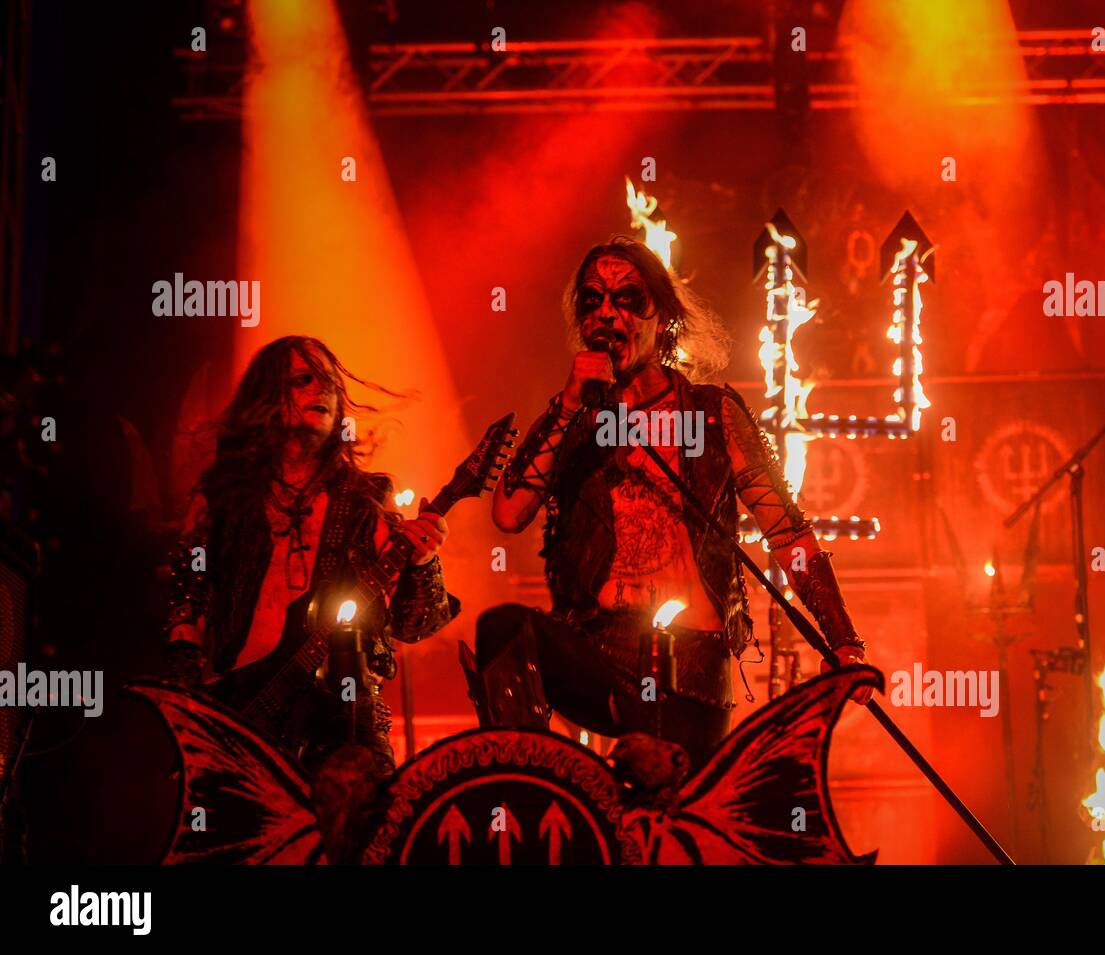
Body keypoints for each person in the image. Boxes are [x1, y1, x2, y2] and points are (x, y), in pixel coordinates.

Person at [464, 236, 868, 771]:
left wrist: (841, 641)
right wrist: (567, 407)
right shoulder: (574, 422)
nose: (606, 313)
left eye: (627, 299)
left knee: (668, 830)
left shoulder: (711, 414)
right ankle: (528, 782)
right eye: (592, 301)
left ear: (663, 316)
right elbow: (509, 513)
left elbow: (788, 534)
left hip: (691, 671)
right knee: (504, 628)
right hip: (601, 654)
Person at [163, 336, 458, 776]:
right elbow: (185, 603)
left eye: (328, 383)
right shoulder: (221, 499)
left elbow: (417, 625)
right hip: (240, 710)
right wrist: (190, 704)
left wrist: (423, 561)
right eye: (303, 379)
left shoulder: (366, 503)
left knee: (363, 830)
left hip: (344, 719)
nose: (321, 390)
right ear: (266, 398)